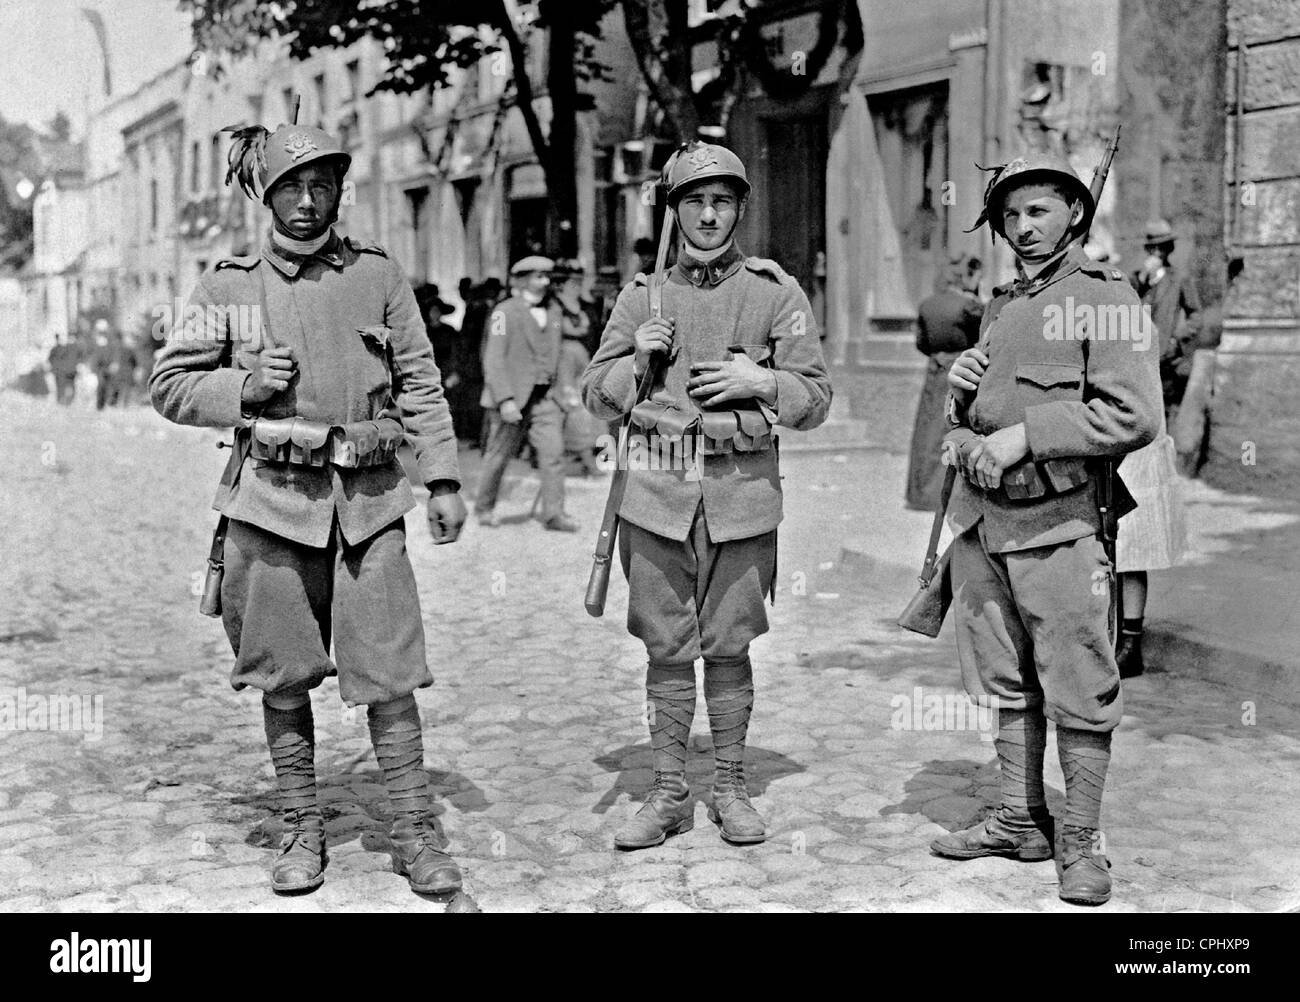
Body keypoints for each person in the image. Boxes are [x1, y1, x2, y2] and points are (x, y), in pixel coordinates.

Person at [150, 121, 469, 898]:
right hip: (271, 506)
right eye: (289, 185)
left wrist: (444, 479)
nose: (305, 199)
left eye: (320, 183)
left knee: (391, 672)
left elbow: (420, 380)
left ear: (338, 190)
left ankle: (414, 829)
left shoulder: (377, 277)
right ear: (264, 193)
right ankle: (301, 824)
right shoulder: (229, 285)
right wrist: (242, 386)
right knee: (284, 674)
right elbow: (169, 383)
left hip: (367, 504)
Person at [582, 141, 831, 850]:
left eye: (723, 201)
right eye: (694, 201)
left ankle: (728, 786)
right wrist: (638, 361)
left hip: (740, 495)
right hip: (656, 495)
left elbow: (817, 400)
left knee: (729, 646)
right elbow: (595, 398)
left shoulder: (776, 292)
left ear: (741, 209)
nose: (709, 214)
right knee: (667, 647)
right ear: (675, 210)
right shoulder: (641, 297)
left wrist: (764, 385)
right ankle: (666, 793)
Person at [932, 153, 1162, 906]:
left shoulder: (1106, 297)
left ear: (1074, 213)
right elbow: (968, 424)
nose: (1022, 227)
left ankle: (1081, 840)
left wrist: (1027, 435)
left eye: (1039, 210)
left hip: (1061, 523)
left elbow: (1133, 416)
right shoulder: (1001, 306)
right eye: (1009, 215)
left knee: (1079, 682)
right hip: (984, 524)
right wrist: (960, 399)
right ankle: (1017, 818)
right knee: (1003, 676)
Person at [475, 255, 577, 532]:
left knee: (553, 454)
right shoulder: (503, 312)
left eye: (547, 277)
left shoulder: (554, 312)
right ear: (522, 280)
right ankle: (484, 508)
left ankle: (554, 513)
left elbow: (559, 354)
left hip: (546, 399)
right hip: (511, 399)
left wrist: (566, 391)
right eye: (538, 277)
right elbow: (493, 359)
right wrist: (505, 399)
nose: (545, 283)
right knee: (498, 456)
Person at [904, 254, 984, 510]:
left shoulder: (927, 305)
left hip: (934, 371)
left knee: (926, 431)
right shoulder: (969, 306)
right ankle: (948, 495)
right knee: (953, 426)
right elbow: (984, 337)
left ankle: (921, 493)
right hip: (961, 370)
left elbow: (921, 343)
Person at [1132, 219, 1201, 420]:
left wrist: (1177, 340)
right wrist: (1144, 280)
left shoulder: (1179, 278)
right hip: (1138, 357)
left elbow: (1195, 315)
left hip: (1166, 358)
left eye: (1162, 247)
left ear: (1168, 249)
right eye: (1153, 248)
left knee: (1165, 413)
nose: (1157, 252)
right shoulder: (1137, 279)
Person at [49, 336, 80, 405]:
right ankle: (62, 400)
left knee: (66, 386)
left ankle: (66, 400)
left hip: (66, 371)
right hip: (61, 371)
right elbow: (51, 359)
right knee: (62, 386)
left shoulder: (67, 348)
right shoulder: (57, 349)